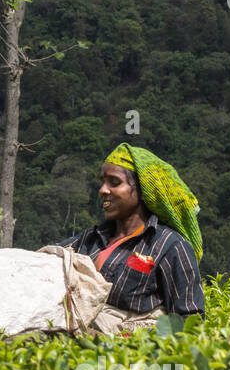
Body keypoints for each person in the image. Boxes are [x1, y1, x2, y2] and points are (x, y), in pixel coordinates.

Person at [38, 143, 205, 337]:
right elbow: (44, 263)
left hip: (125, 353)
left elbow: (190, 319)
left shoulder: (170, 246)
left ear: (142, 192)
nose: (103, 190)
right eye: (102, 182)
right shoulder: (89, 239)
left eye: (114, 183)